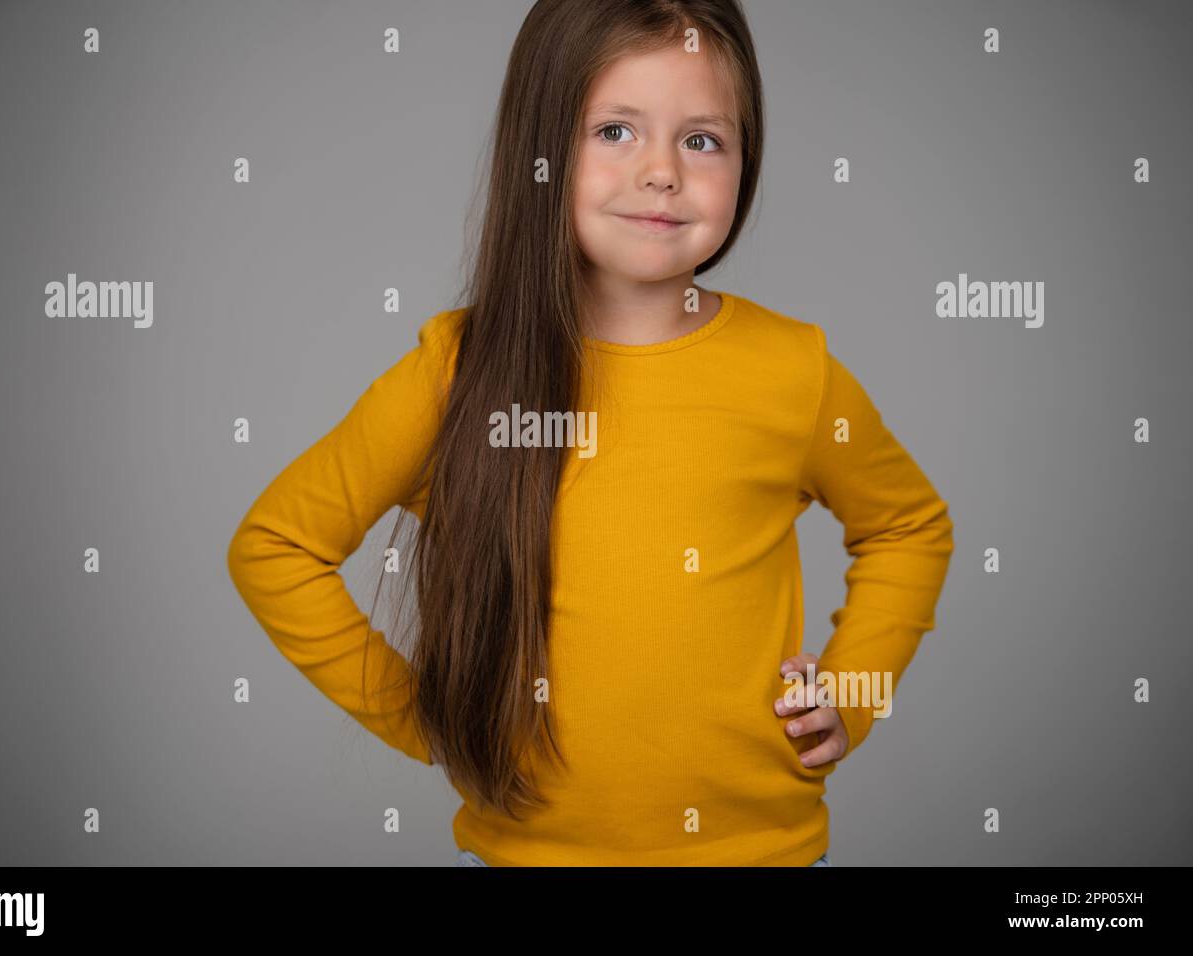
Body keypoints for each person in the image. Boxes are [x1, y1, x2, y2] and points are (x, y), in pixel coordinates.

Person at [226, 0, 954, 867]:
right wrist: (432, 719)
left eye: (702, 140)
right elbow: (275, 546)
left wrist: (852, 692)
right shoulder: (458, 372)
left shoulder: (793, 369)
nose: (662, 173)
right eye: (614, 130)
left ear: (745, 160)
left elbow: (908, 526)